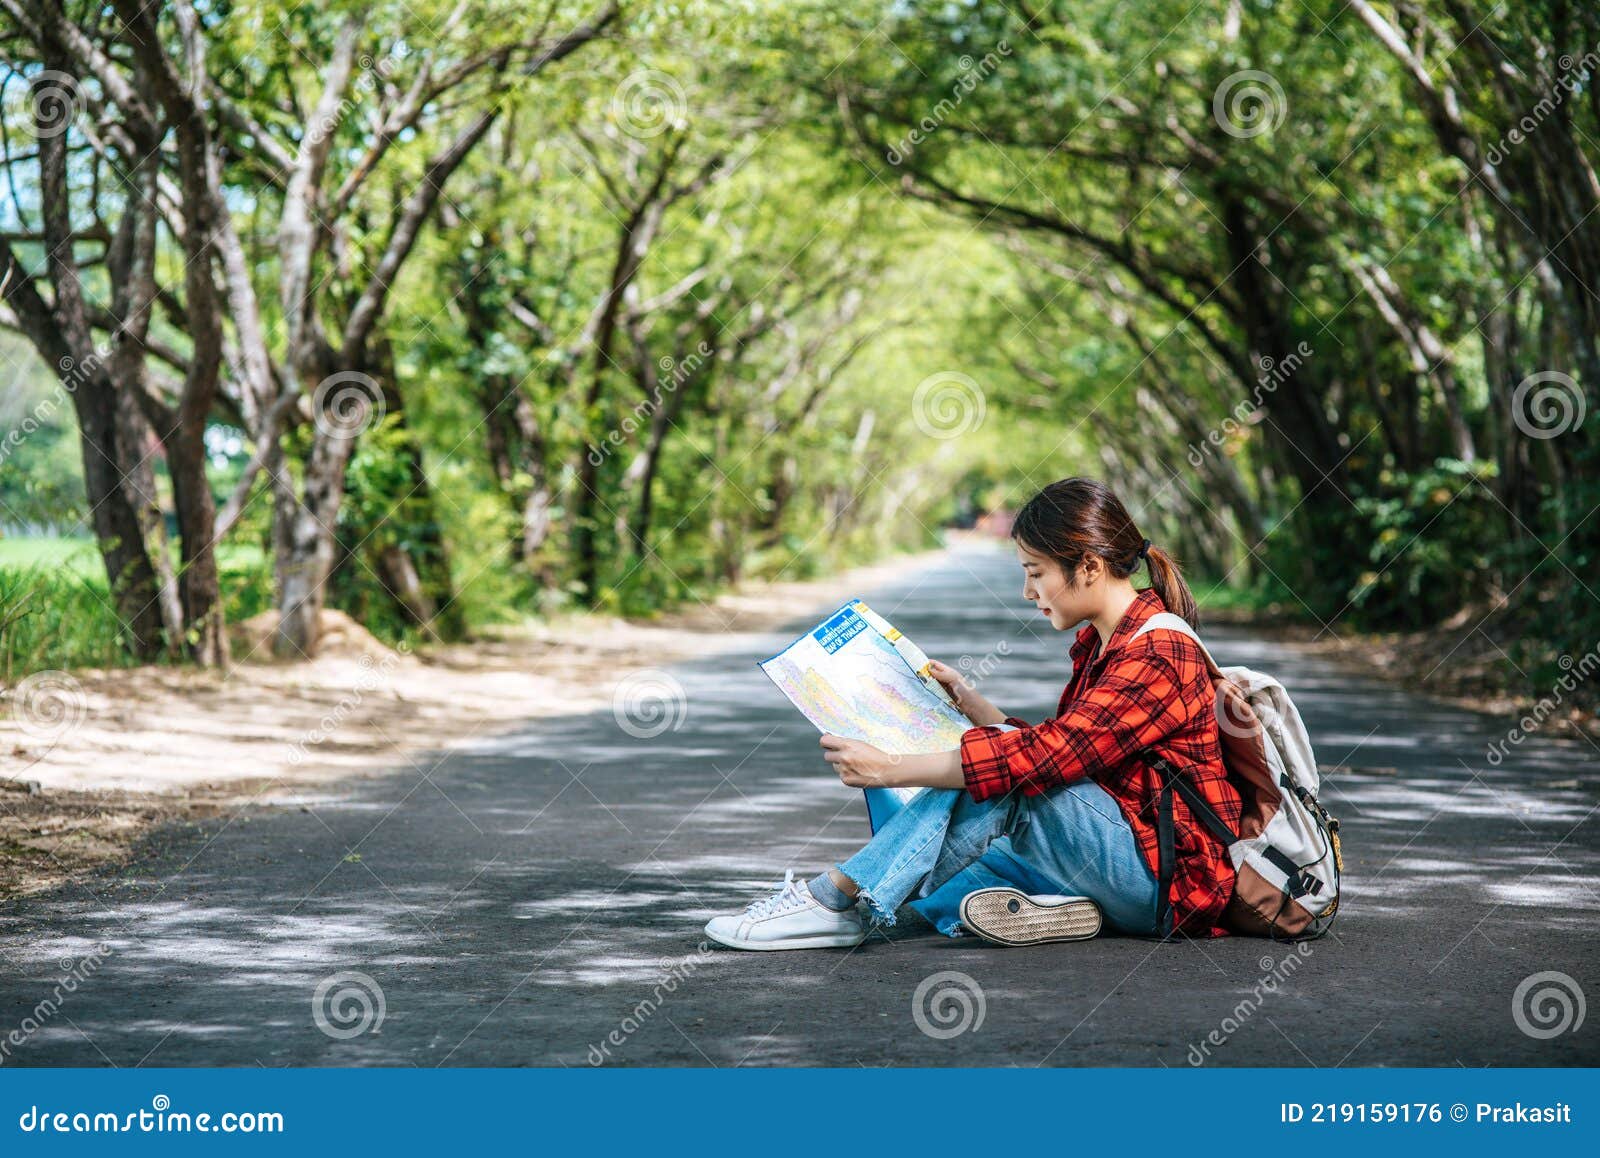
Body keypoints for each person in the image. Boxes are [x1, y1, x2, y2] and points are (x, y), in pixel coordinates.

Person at [704, 477, 1243, 950]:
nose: (1027, 591)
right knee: (946, 889)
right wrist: (973, 703)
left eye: (1035, 572)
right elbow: (1082, 752)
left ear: (1091, 567)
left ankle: (832, 900)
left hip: (1168, 885)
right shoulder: (1105, 642)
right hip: (1121, 849)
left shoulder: (1159, 654)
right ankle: (1067, 911)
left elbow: (1045, 761)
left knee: (1004, 782)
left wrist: (891, 768)